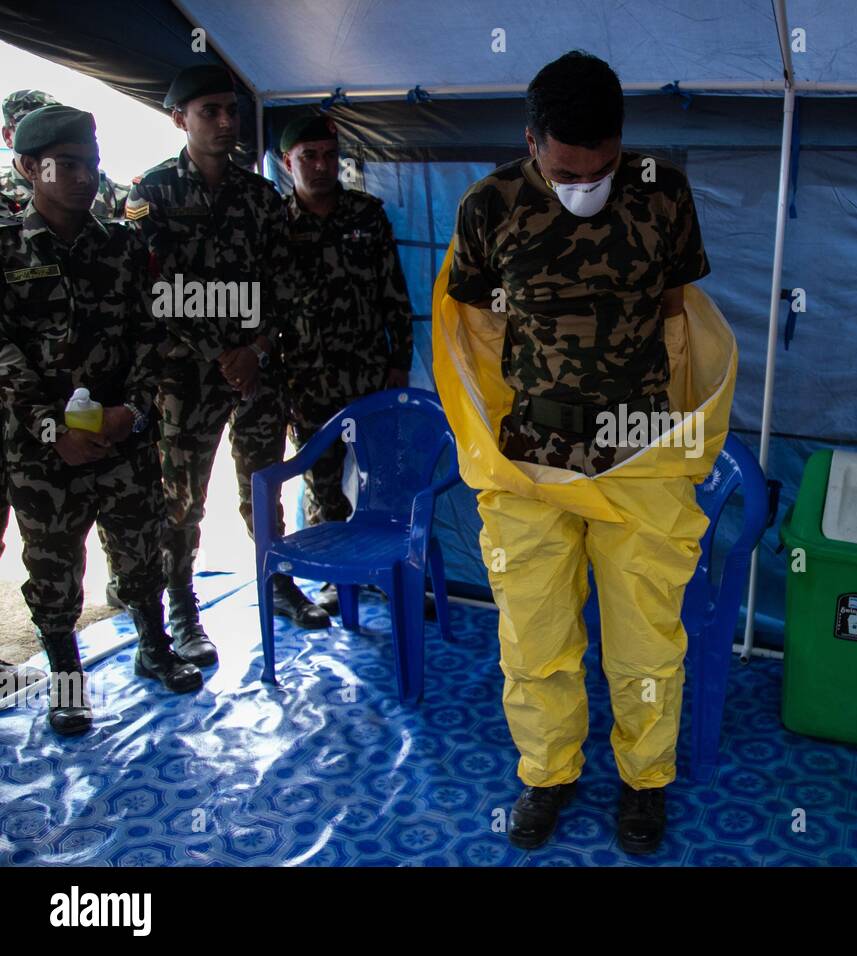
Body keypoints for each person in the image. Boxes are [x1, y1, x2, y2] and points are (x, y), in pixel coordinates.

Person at [440, 51, 732, 855]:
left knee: (645, 634)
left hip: (638, 451)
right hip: (532, 452)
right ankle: (548, 772)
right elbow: (471, 333)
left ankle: (645, 782)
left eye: (601, 168)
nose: (585, 186)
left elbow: (676, 317)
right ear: (531, 139)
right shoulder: (487, 206)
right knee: (535, 634)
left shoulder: (663, 193)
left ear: (622, 142)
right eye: (566, 171)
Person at [0, 106, 203, 736]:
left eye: (92, 163)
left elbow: (152, 335)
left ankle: (155, 648)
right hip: (42, 453)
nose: (87, 176)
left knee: (140, 549)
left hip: (120, 439)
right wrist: (50, 430)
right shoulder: (6, 250)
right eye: (70, 165)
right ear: (30, 168)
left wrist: (132, 412)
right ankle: (68, 684)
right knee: (55, 573)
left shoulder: (121, 245)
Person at [125, 65, 328, 667]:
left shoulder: (261, 197)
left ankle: (278, 579)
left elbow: (285, 284)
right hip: (185, 377)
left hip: (257, 372)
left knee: (262, 486)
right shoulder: (151, 195)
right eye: (208, 111)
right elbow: (152, 288)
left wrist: (258, 350)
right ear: (178, 119)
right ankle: (183, 610)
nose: (223, 122)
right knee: (180, 500)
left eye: (230, 111)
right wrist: (222, 352)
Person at [276, 112, 421, 615]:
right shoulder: (274, 226)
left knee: (385, 476)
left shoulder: (366, 214)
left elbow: (393, 294)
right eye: (308, 157)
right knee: (323, 480)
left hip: (369, 373)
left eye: (329, 155)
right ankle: (337, 577)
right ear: (286, 162)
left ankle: (386, 569)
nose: (320, 166)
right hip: (307, 378)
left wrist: (398, 362)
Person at [1, 90, 129, 219]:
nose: (44, 139)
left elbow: (139, 203)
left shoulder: (96, 184)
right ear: (8, 136)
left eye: (55, 128)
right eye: (31, 131)